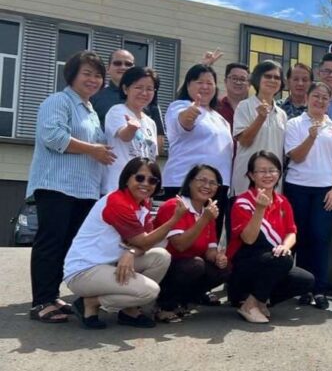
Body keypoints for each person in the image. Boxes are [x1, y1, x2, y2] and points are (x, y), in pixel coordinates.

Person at [28, 50, 115, 323]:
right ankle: (41, 301)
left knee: (68, 244)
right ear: (72, 75)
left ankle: (53, 296)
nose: (93, 79)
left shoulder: (89, 109)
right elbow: (52, 136)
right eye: (86, 73)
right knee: (50, 243)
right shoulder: (58, 101)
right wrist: (93, 150)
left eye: (98, 75)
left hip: (84, 189)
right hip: (57, 185)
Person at [64, 157, 180, 329]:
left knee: (161, 257)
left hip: (110, 264)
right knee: (150, 291)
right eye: (139, 178)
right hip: (84, 271)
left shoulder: (143, 203)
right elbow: (144, 241)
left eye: (152, 180)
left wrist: (131, 252)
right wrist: (175, 219)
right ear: (127, 178)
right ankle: (90, 302)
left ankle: (129, 311)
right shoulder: (118, 202)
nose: (146, 184)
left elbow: (144, 243)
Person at [227, 151, 314, 324]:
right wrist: (259, 209)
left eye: (272, 170)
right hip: (244, 265)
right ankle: (248, 304)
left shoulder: (282, 201)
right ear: (251, 175)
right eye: (261, 171)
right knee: (283, 260)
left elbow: (291, 232)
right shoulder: (242, 202)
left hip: (270, 261)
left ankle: (261, 299)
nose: (268, 175)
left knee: (305, 280)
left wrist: (285, 246)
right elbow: (249, 239)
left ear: (279, 173)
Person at [283, 82, 332, 309]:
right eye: (316, 96)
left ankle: (319, 289)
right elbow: (296, 157)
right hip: (297, 187)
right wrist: (310, 137)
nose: (320, 101)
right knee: (299, 239)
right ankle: (300, 288)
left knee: (321, 239)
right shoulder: (294, 124)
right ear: (308, 98)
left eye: (325, 98)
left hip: (325, 190)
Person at [162, 64, 234, 237]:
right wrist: (190, 114)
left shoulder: (220, 118)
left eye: (210, 83)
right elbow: (184, 123)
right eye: (199, 82)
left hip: (217, 187)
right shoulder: (180, 106)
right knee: (181, 237)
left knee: (210, 238)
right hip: (184, 182)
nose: (205, 86)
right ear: (188, 85)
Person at [154, 164, 230, 322]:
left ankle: (184, 301)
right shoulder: (175, 206)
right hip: (165, 266)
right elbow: (180, 245)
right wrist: (204, 220)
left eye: (213, 183)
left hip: (190, 265)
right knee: (194, 265)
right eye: (202, 180)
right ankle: (164, 305)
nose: (207, 186)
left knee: (224, 268)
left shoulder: (206, 211)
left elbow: (210, 249)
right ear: (189, 182)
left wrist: (218, 257)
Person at [101, 66, 160, 196]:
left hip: (141, 190)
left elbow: (152, 159)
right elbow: (124, 136)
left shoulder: (151, 123)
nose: (144, 93)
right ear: (125, 89)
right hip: (117, 188)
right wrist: (131, 128)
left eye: (149, 89)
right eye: (138, 87)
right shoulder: (117, 111)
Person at [231, 60, 287, 196]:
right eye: (267, 76)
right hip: (247, 181)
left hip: (272, 183)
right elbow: (244, 141)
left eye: (277, 77)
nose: (273, 80)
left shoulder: (282, 114)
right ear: (257, 79)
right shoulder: (244, 106)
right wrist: (260, 118)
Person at [91, 49, 165, 150]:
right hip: (106, 159)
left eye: (128, 64)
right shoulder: (95, 95)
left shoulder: (147, 98)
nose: (123, 67)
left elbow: (158, 138)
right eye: (117, 63)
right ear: (108, 68)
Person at [217, 62, 251, 127]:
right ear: (225, 81)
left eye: (242, 79)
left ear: (249, 84)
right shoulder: (215, 105)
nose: (238, 82)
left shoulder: (253, 109)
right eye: (234, 78)